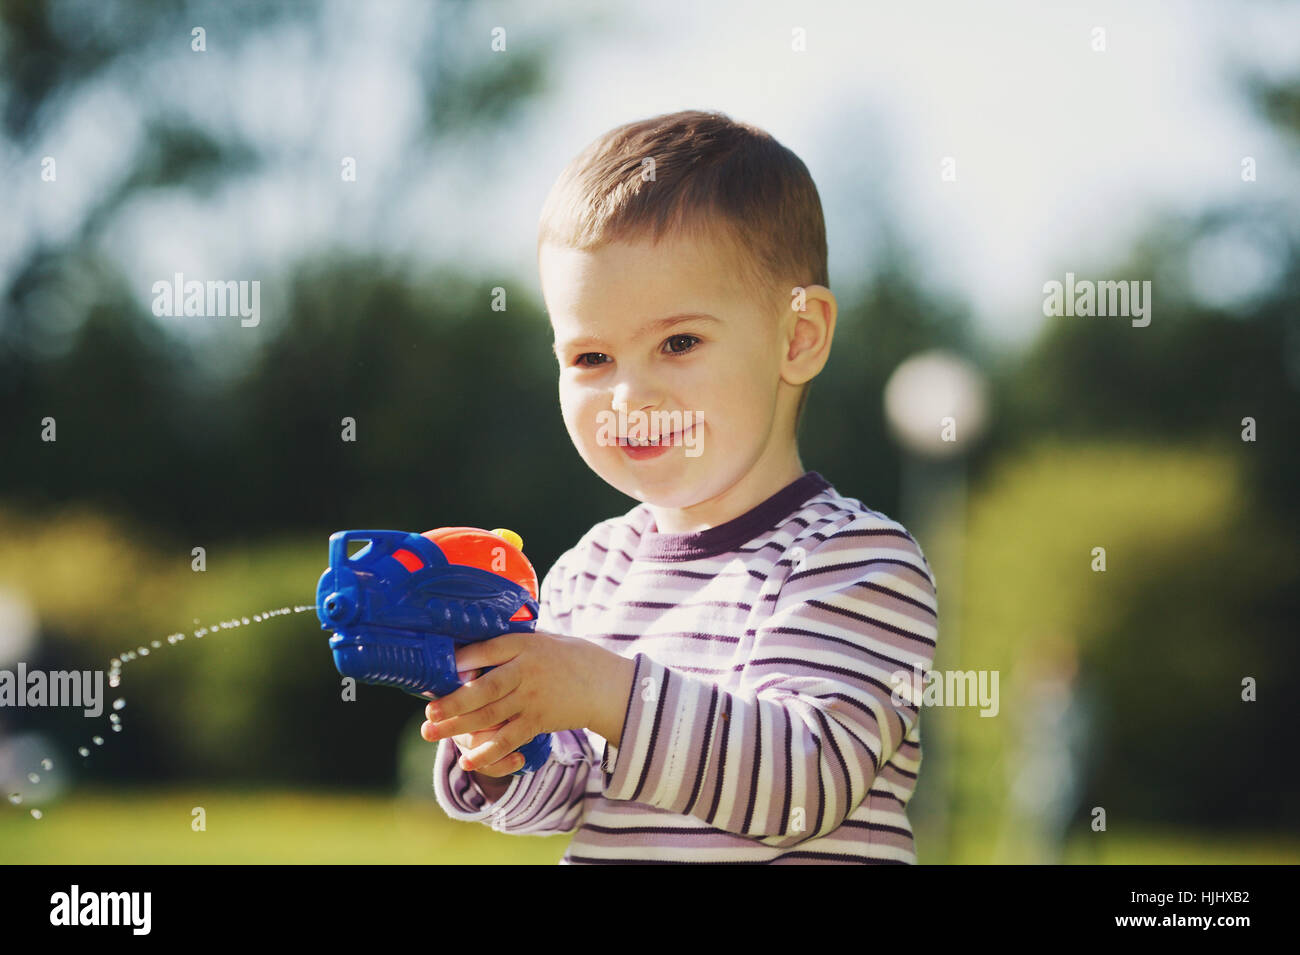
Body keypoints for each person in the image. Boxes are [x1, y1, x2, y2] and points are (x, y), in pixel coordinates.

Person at [422, 109, 939, 863]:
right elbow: (562, 796)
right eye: (592, 357)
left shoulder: (860, 561)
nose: (630, 395)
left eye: (679, 342)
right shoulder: (590, 571)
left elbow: (804, 782)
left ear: (798, 336)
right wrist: (498, 739)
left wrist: (603, 689)